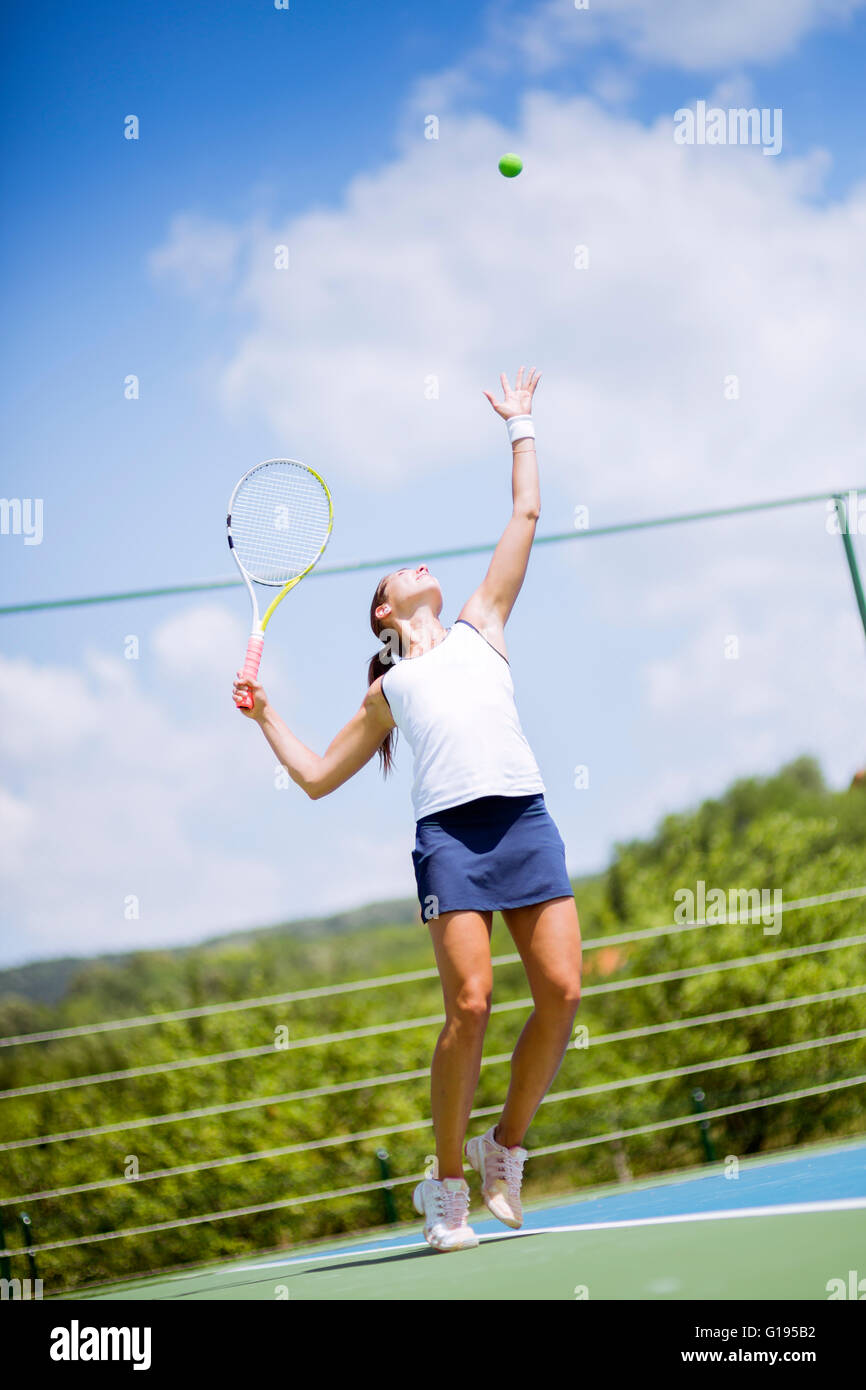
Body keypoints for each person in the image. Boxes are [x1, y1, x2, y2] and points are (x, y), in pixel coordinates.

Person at [233, 366, 582, 1253]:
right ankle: (449, 1190)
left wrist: (522, 423)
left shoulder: (482, 624)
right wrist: (267, 712)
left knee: (564, 994)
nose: (423, 565)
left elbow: (525, 517)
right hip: (451, 841)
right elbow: (315, 777)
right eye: (401, 572)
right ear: (385, 612)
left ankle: (504, 1148)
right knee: (471, 1003)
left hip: (526, 822)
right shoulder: (392, 686)